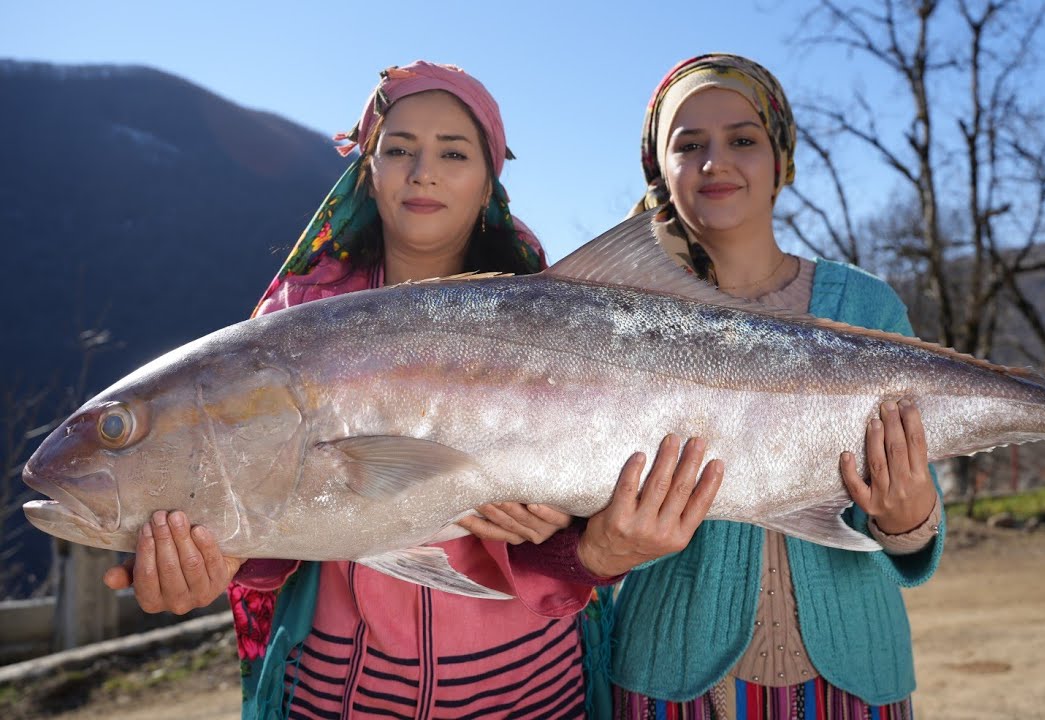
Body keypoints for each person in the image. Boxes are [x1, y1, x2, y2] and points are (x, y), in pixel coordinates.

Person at [101, 60, 725, 719]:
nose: (422, 170)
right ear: (367, 171)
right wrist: (218, 559)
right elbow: (273, 521)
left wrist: (580, 541)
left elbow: (582, 548)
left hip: (532, 693)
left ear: (490, 182)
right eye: (398, 149)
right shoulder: (284, 331)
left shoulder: (570, 321)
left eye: (453, 152)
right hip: (336, 697)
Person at [601, 54, 945, 718]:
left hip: (857, 678)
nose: (714, 162)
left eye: (742, 139)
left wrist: (909, 520)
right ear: (658, 168)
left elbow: (913, 504)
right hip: (669, 680)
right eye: (688, 144)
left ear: (780, 157)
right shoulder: (616, 318)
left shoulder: (866, 308)